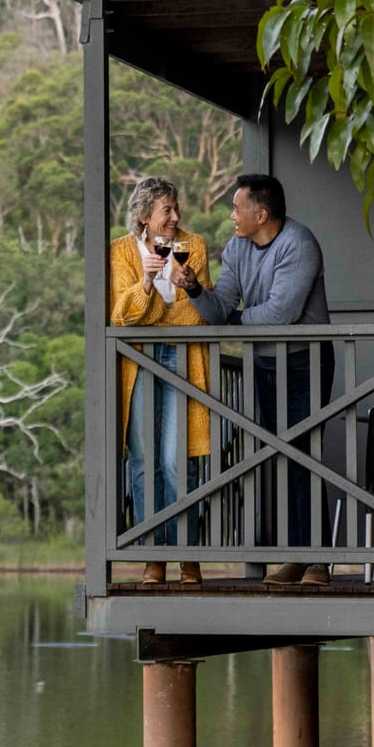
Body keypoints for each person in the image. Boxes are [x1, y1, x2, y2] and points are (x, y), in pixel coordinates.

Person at [172, 173, 333, 585]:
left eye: (237, 209)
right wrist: (194, 290)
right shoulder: (238, 247)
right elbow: (221, 305)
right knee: (281, 456)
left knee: (306, 455)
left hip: (306, 362)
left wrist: (235, 322)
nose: (232, 216)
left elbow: (281, 314)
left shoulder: (299, 244)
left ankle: (318, 563)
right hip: (264, 363)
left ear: (260, 214)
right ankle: (297, 557)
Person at [109, 175, 214, 587]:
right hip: (138, 363)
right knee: (143, 461)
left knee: (176, 459)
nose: (175, 216)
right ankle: (154, 557)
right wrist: (148, 282)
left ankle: (187, 556)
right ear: (145, 218)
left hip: (183, 360)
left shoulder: (194, 246)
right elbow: (120, 316)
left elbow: (194, 315)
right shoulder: (120, 252)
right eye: (166, 210)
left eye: (176, 208)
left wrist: (181, 289)